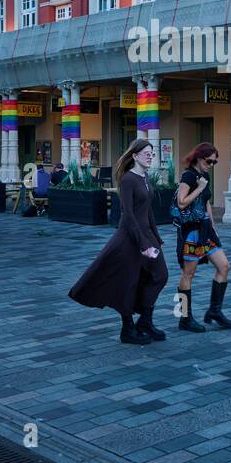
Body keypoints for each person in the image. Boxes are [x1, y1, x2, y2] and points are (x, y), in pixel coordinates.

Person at [68, 139, 168, 345]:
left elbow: (147, 211)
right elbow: (129, 215)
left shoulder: (146, 177)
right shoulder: (128, 180)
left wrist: (156, 239)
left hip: (147, 236)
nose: (150, 157)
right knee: (127, 283)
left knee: (160, 275)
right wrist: (143, 245)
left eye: (152, 154)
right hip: (129, 239)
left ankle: (145, 322)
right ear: (135, 156)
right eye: (146, 153)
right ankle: (127, 329)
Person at [174, 142, 231, 331]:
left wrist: (214, 228)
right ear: (199, 157)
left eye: (214, 162)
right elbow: (181, 203)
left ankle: (214, 311)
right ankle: (183, 317)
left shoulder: (204, 175)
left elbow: (206, 202)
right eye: (209, 161)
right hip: (191, 232)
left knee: (224, 266)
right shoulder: (189, 176)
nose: (211, 165)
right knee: (188, 274)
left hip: (205, 231)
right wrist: (199, 188)